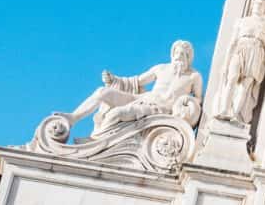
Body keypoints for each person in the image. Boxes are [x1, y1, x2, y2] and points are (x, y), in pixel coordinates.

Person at [67, 41, 204, 135]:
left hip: (159, 109)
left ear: (188, 58)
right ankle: (72, 118)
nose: (178, 57)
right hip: (142, 98)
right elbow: (136, 81)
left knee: (116, 114)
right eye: (176, 54)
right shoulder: (161, 68)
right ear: (172, 55)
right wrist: (114, 79)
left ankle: (96, 143)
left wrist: (186, 100)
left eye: (182, 54)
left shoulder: (193, 76)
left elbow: (198, 99)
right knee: (102, 92)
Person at [212, 0, 265, 125]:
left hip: (256, 52)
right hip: (240, 50)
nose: (258, 6)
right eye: (257, 3)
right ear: (252, 5)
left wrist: (263, 39)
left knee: (245, 86)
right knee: (232, 79)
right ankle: (224, 109)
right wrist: (226, 63)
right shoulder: (242, 21)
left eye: (262, 4)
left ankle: (236, 114)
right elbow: (232, 42)